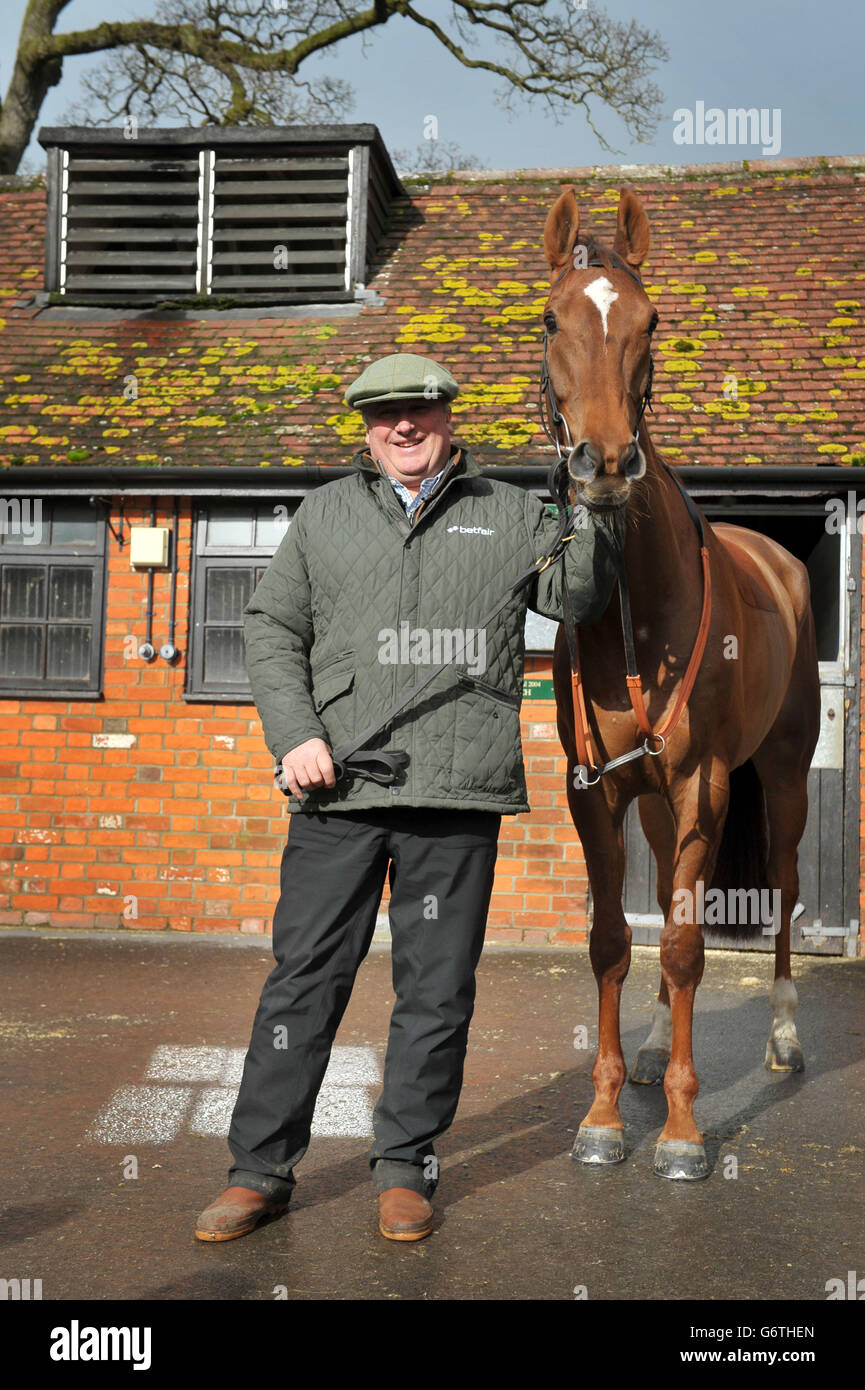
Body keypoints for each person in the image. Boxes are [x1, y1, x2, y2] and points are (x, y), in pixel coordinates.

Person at [194, 352, 617, 1243]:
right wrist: (294, 735)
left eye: (418, 410)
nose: (403, 427)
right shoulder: (325, 515)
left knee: (436, 992)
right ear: (365, 425)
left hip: (454, 795)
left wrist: (593, 509)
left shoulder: (509, 512)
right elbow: (270, 628)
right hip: (338, 787)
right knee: (303, 980)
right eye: (385, 415)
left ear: (446, 417)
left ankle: (404, 1168)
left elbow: (577, 600)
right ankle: (259, 1170)